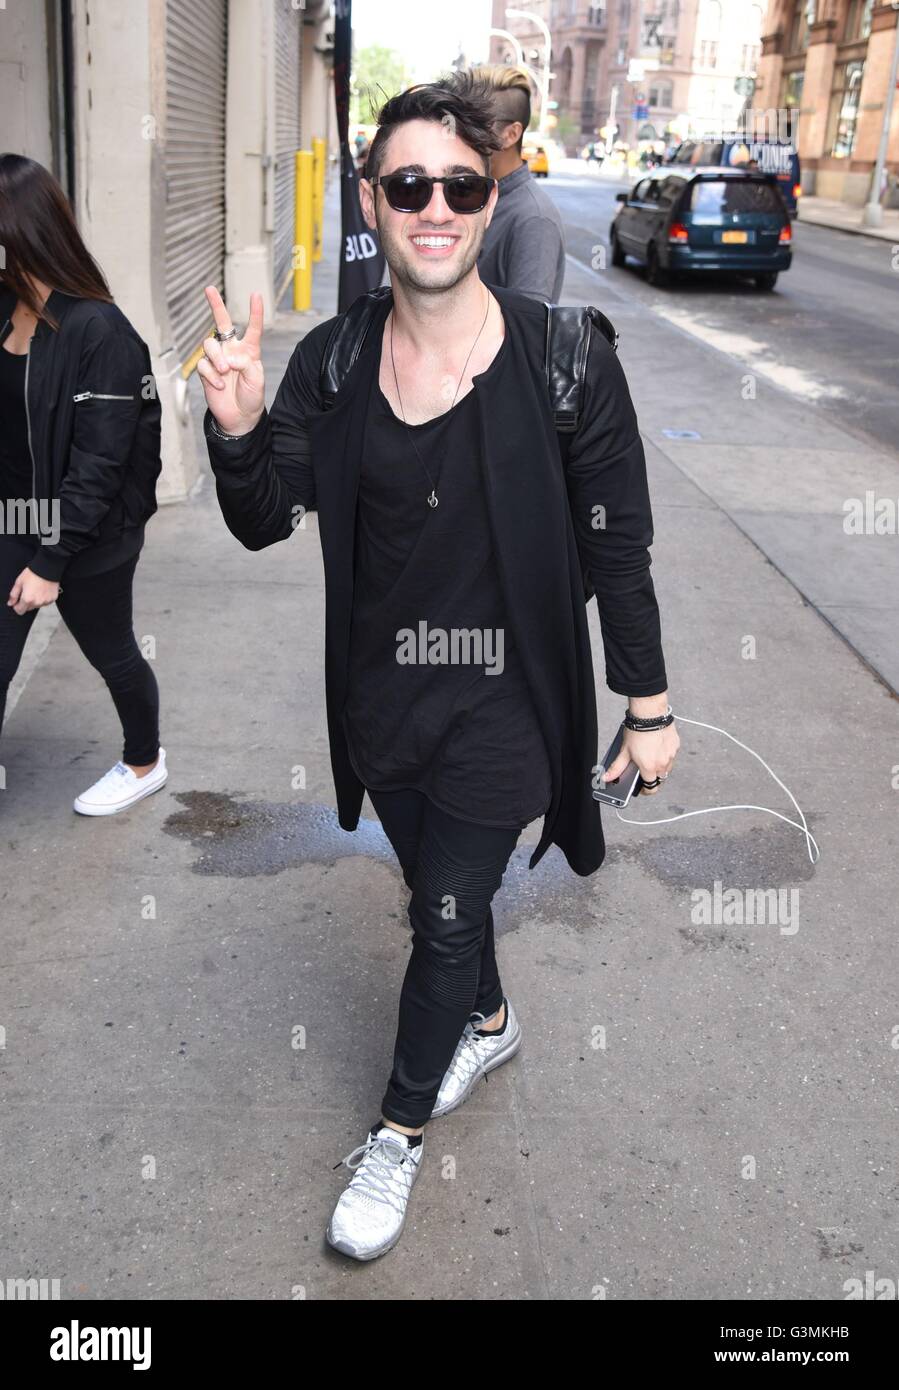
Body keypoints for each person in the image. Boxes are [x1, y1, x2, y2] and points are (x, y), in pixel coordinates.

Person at [199, 82, 678, 1261]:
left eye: (457, 186)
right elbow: (266, 520)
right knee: (442, 899)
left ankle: (398, 1132)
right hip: (382, 700)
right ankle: (494, 1019)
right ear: (373, 200)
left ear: (489, 197)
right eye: (406, 184)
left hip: (509, 705)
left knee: (441, 914)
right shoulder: (333, 358)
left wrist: (648, 703)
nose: (432, 207)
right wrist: (237, 425)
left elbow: (618, 541)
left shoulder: (565, 359)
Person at [0, 155, 165, 814]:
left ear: (23, 235)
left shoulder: (100, 332)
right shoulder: (6, 306)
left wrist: (51, 561)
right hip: (12, 516)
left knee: (113, 651)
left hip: (87, 532)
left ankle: (144, 760)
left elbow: (100, 464)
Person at [443, 65, 566, 303]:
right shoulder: (470, 193)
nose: (462, 135)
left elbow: (529, 328)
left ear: (511, 134)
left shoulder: (534, 219)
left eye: (476, 126)